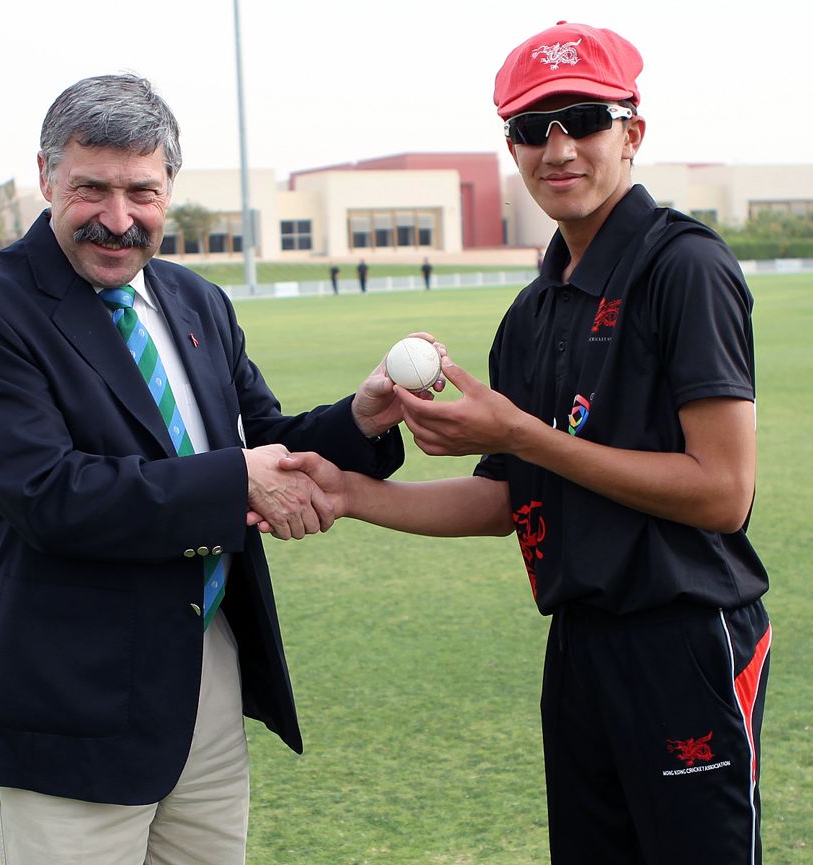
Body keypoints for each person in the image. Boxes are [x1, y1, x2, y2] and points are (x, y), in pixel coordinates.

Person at [275, 21, 772, 865]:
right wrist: (352, 493)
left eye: (585, 119)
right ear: (511, 147)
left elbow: (724, 492)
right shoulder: (531, 313)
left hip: (685, 637)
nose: (558, 148)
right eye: (532, 128)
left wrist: (523, 435)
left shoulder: (684, 266)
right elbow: (510, 496)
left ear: (633, 133)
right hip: (577, 645)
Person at [0, 73, 414, 865]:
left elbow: (262, 436)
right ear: (46, 177)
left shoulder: (196, 299)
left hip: (208, 669)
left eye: (142, 192)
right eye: (92, 188)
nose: (119, 219)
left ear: (169, 188)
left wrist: (360, 418)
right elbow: (51, 494)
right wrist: (239, 481)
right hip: (73, 702)